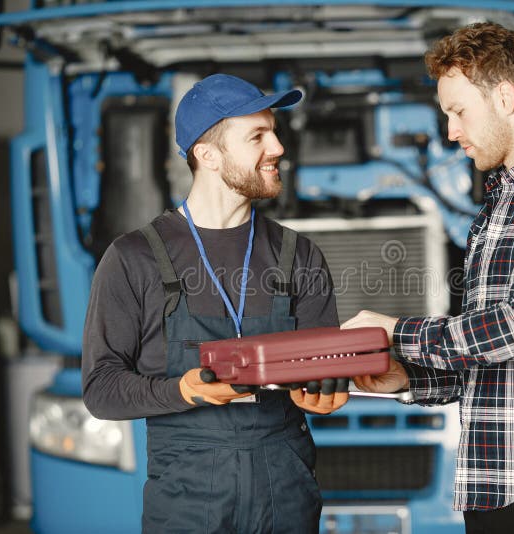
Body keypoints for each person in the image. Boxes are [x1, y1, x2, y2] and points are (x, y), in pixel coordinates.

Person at [342, 22, 514, 534]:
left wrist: (395, 331)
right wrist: (409, 378)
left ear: (506, 96)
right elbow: (489, 358)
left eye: (458, 111)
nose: (450, 131)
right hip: (489, 481)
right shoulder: (495, 210)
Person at [82, 73, 349, 534]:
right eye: (257, 136)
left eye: (275, 131)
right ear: (207, 155)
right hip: (187, 496)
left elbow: (327, 367)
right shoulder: (134, 258)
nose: (279, 148)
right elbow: (101, 389)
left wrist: (329, 389)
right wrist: (182, 391)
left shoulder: (297, 255)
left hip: (283, 489)